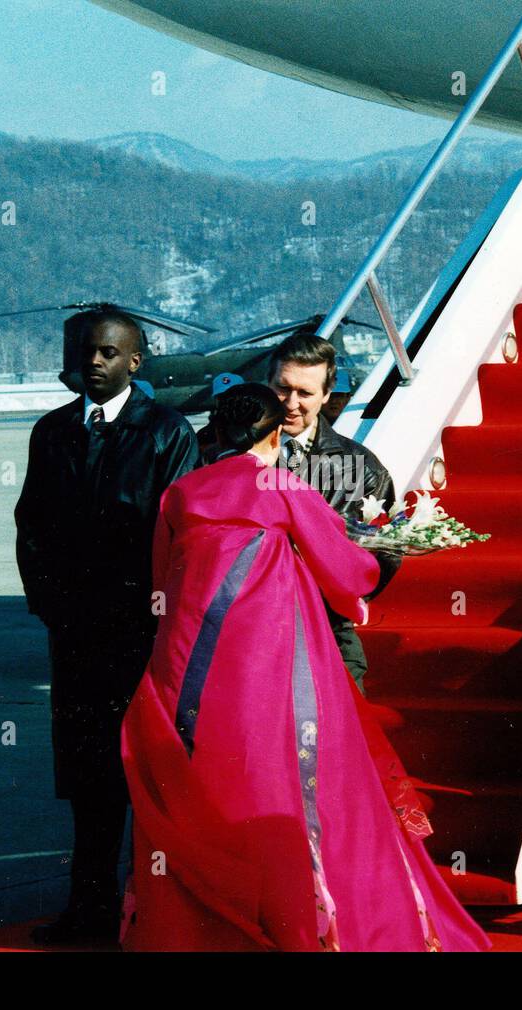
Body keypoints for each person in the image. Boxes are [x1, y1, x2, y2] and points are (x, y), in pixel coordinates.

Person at [120, 384, 489, 951]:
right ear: (275, 435)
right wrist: (385, 550)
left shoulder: (180, 494)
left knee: (206, 771)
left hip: (184, 658)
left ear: (217, 434)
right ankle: (301, 914)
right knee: (286, 774)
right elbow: (348, 572)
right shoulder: (281, 485)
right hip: (264, 660)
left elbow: (160, 581)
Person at [15, 307, 200, 943]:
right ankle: (88, 912)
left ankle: (152, 910)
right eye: (86, 351)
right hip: (74, 635)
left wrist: (159, 614)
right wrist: (47, 601)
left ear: (134, 361)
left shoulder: (166, 432)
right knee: (88, 778)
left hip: (141, 635)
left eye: (108, 353)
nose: (94, 362)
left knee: (147, 776)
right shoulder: (53, 432)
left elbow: (179, 532)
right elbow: (31, 524)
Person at [268, 333, 399, 690]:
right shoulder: (231, 457)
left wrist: (336, 594)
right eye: (282, 388)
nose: (291, 403)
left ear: (326, 395)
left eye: (305, 393)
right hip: (251, 636)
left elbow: (386, 552)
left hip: (328, 633)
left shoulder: (362, 468)